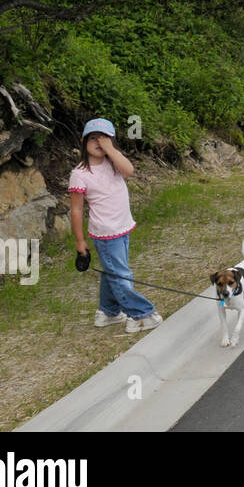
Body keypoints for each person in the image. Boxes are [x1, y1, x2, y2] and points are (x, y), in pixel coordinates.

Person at [68, 118, 162, 333]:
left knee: (113, 271)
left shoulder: (114, 164)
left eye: (105, 138)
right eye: (94, 138)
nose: (99, 142)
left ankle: (108, 312)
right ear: (83, 142)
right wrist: (80, 241)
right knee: (120, 275)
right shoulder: (80, 174)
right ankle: (142, 313)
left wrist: (111, 150)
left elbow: (129, 171)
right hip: (105, 233)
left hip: (122, 228)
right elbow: (76, 210)